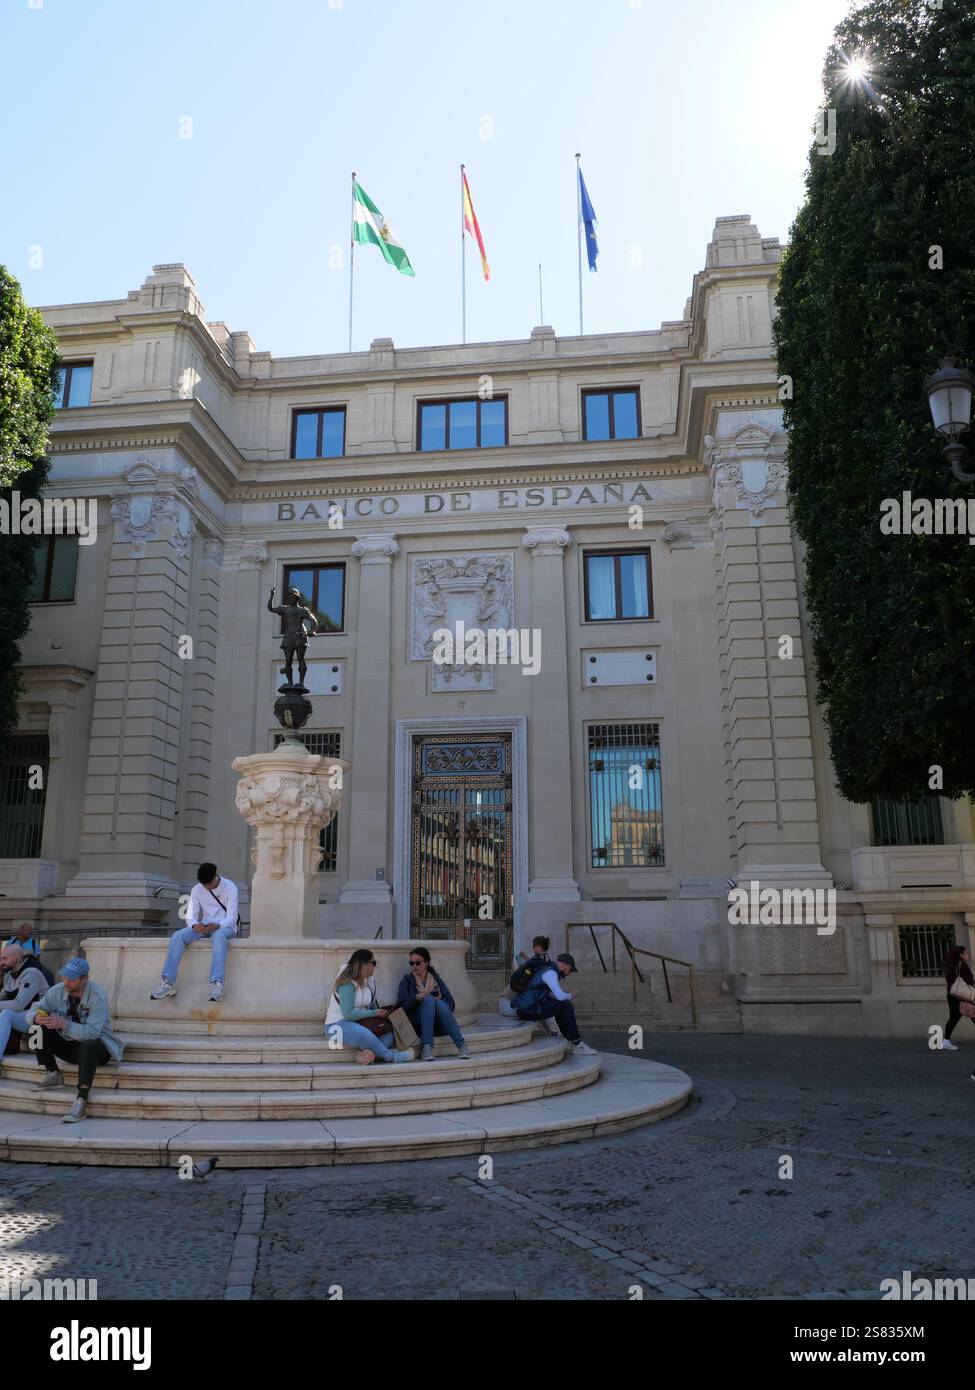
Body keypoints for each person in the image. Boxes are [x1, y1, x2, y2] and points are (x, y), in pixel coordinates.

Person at [25, 957, 124, 1123]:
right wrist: (36, 1018)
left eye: (71, 979)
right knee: (35, 1029)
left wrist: (64, 1024)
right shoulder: (56, 991)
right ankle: (53, 1072)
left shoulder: (98, 996)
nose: (66, 982)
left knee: (88, 1044)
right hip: (70, 1046)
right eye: (64, 977)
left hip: (98, 1049)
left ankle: (81, 1099)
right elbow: (33, 1009)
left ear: (84, 979)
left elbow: (92, 1033)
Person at [151, 863, 238, 1003]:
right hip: (204, 925)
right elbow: (190, 915)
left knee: (220, 937)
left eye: (209, 883)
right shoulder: (197, 889)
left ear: (216, 874)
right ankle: (167, 983)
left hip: (224, 927)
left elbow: (232, 917)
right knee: (178, 936)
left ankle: (218, 984)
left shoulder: (230, 887)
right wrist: (194, 925)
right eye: (204, 884)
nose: (207, 887)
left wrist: (218, 925)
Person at [325, 949, 414, 1065]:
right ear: (364, 964)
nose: (375, 967)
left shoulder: (366, 983)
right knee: (364, 1033)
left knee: (388, 1032)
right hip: (337, 1026)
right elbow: (348, 1014)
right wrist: (374, 1013)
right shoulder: (347, 983)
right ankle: (392, 1056)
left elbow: (373, 1006)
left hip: (359, 1023)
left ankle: (370, 1055)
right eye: (374, 963)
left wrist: (384, 1013)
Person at [511, 952, 598, 1057]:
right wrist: (570, 995)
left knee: (562, 1005)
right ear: (565, 966)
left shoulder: (547, 969)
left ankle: (568, 1040)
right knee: (566, 1005)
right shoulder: (550, 973)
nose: (568, 974)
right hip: (527, 1009)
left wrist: (564, 994)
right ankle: (577, 1043)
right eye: (570, 970)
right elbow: (560, 997)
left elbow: (548, 994)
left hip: (524, 1007)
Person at [397, 947, 469, 1061]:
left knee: (437, 1003)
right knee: (429, 1000)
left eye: (417, 962)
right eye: (411, 963)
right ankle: (427, 1046)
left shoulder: (436, 979)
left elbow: (451, 1004)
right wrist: (415, 999)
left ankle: (461, 1045)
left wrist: (436, 1000)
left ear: (426, 962)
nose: (414, 966)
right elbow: (400, 1007)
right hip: (418, 1024)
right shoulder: (407, 981)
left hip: (438, 1023)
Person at [499, 935, 559, 1035]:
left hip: (528, 992)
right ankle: (554, 1031)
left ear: (538, 946)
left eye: (534, 945)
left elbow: (533, 967)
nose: (532, 947)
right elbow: (533, 965)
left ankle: (554, 1031)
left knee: (539, 1008)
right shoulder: (545, 959)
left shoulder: (539, 962)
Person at [0, 943, 49, 1065]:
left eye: (4, 958)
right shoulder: (9, 974)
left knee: (6, 1014)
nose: (1, 962)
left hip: (40, 1019)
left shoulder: (31, 973)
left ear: (16, 959)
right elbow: (2, 997)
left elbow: (18, 1005)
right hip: (25, 1017)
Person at [942, 944, 975, 1051]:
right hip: (963, 997)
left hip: (952, 996)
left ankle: (946, 1041)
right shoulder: (962, 965)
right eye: (965, 953)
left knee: (953, 1018)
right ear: (960, 954)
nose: (967, 955)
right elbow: (969, 980)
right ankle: (945, 1042)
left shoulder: (950, 965)